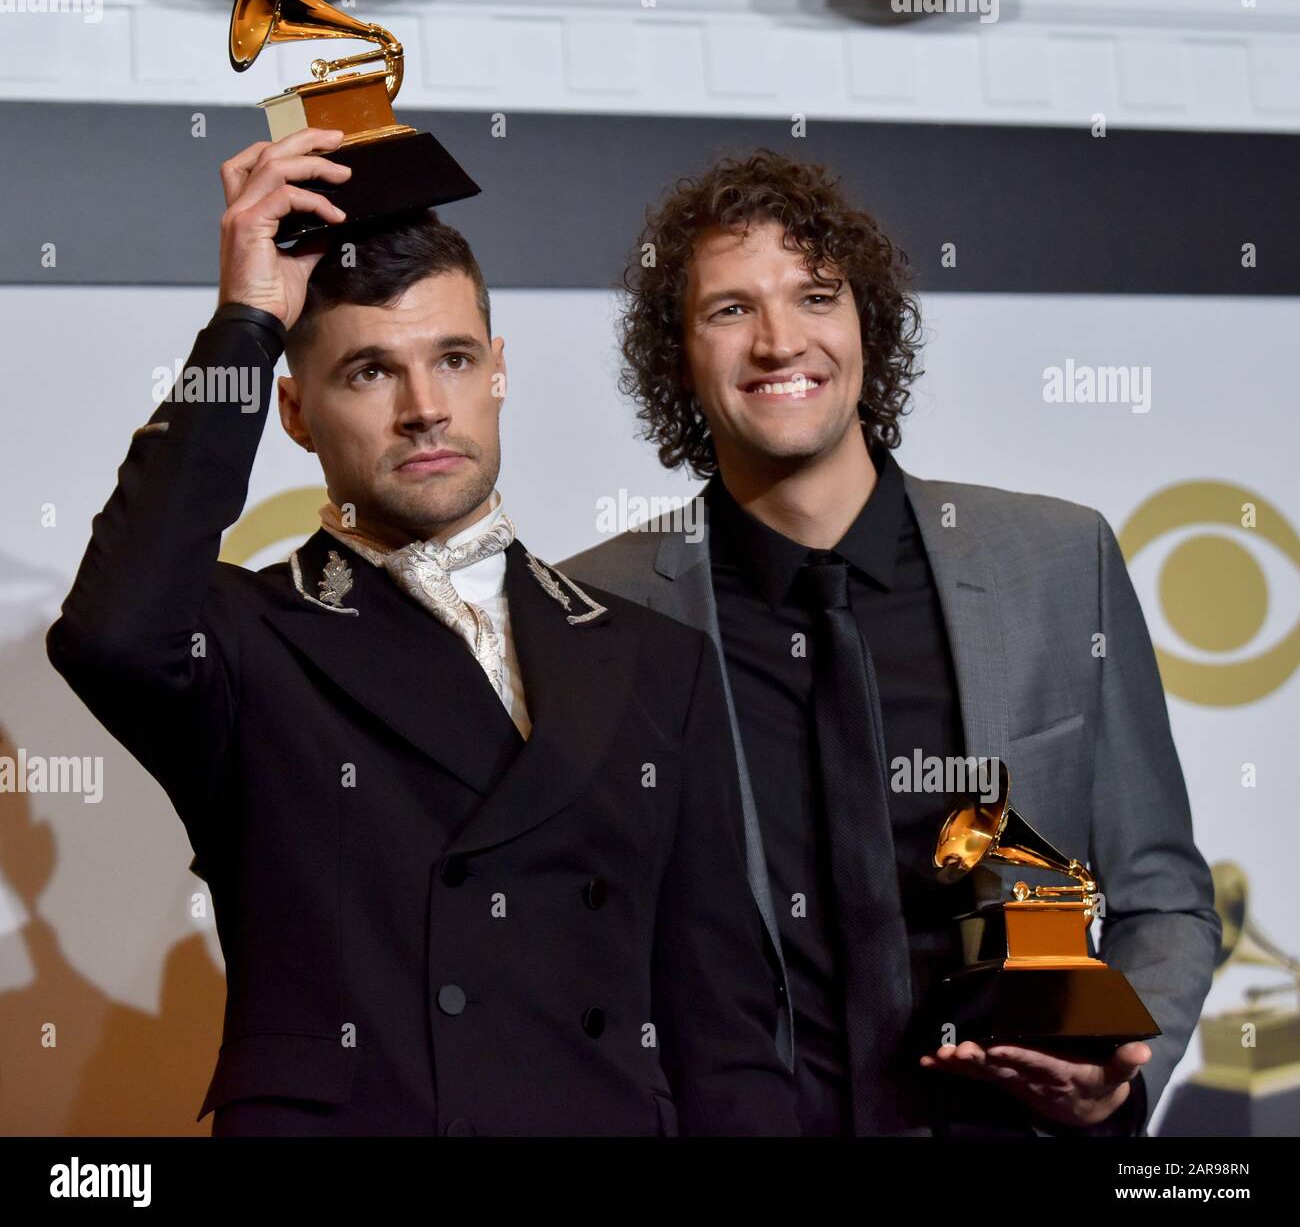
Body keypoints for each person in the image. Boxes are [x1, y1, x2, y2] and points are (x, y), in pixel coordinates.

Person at [46, 129, 798, 1137]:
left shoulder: (657, 662)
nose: (423, 409)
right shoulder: (245, 641)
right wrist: (246, 317)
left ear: (497, 371)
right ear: (297, 412)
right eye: (368, 372)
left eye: (451, 359)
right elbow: (111, 633)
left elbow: (725, 1035)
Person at [561, 148, 1220, 1137]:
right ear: (677, 355)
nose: (781, 341)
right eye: (730, 309)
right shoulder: (592, 607)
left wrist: (1119, 1075)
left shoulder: (1056, 560)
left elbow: (1162, 896)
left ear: (865, 322)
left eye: (815, 295)